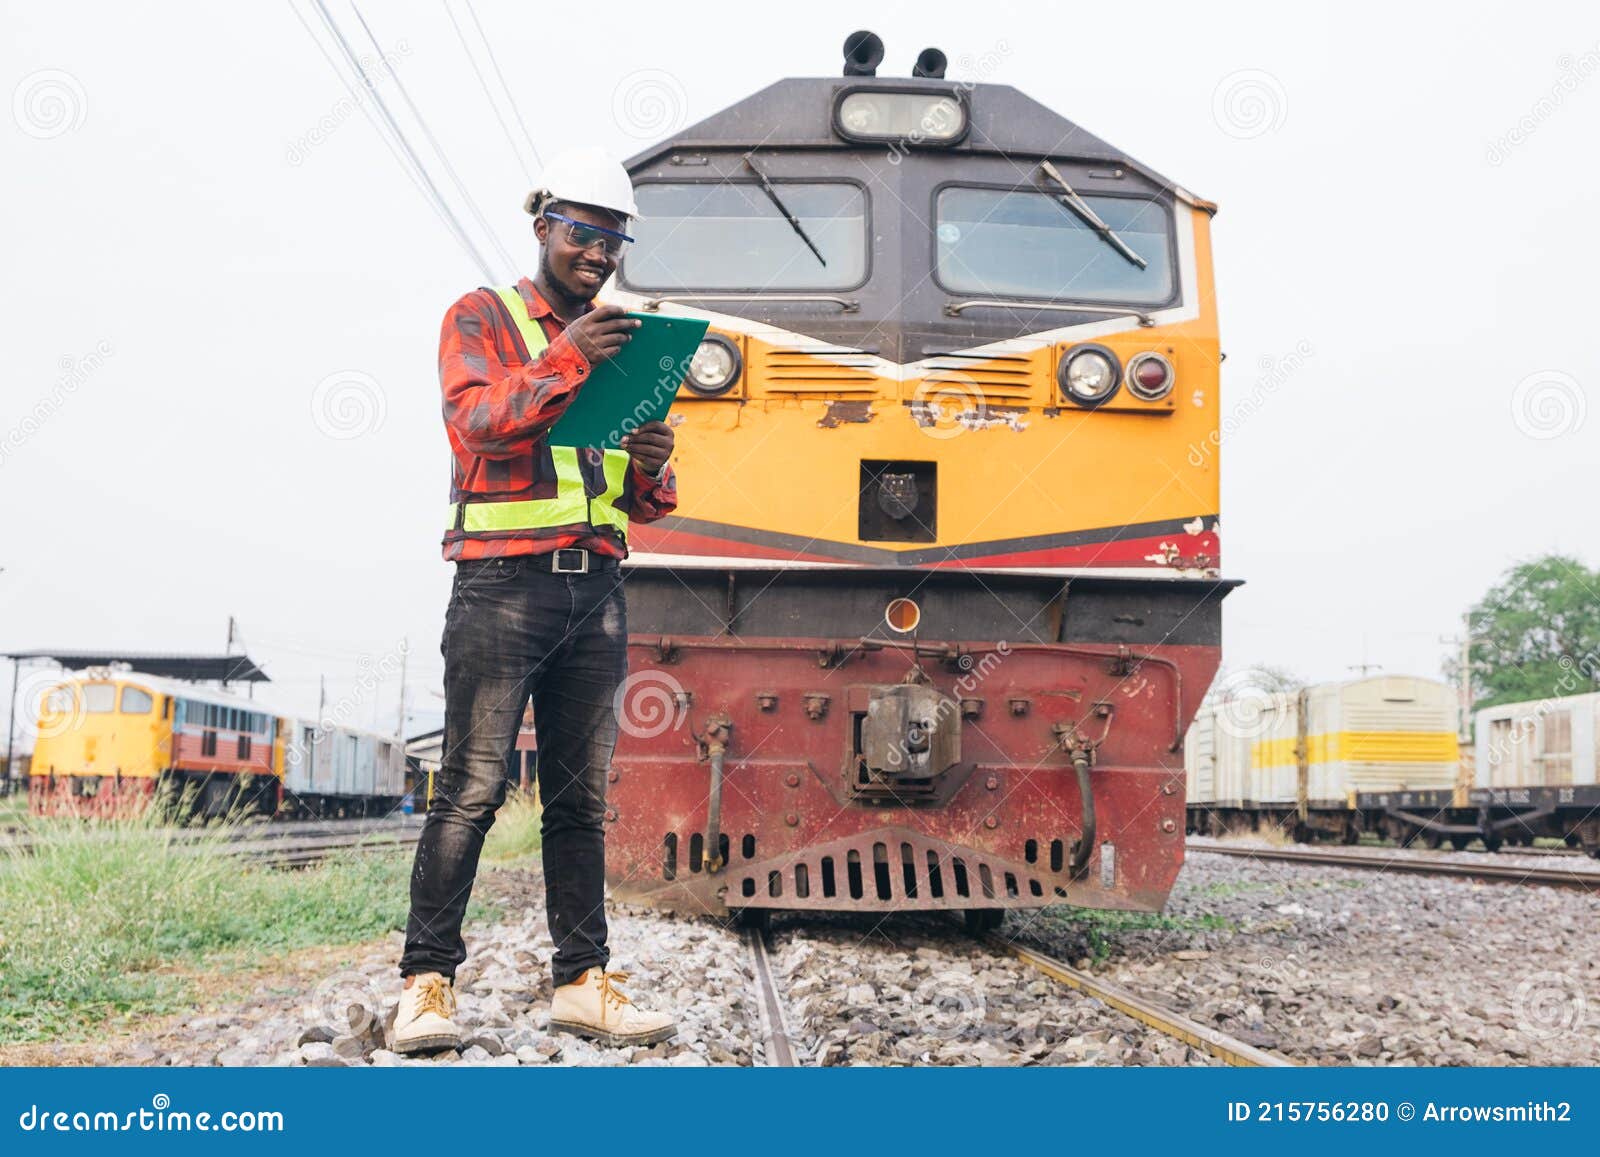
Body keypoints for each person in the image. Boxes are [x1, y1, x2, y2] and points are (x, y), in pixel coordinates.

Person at [393, 146, 678, 1054]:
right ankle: (425, 984)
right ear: (544, 226)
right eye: (585, 234)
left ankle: (583, 982)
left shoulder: (616, 337)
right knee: (471, 791)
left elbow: (640, 500)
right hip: (501, 586)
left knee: (578, 800)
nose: (599, 254)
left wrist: (653, 465)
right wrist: (566, 357)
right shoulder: (483, 316)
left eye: (616, 241)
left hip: (596, 589)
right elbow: (475, 423)